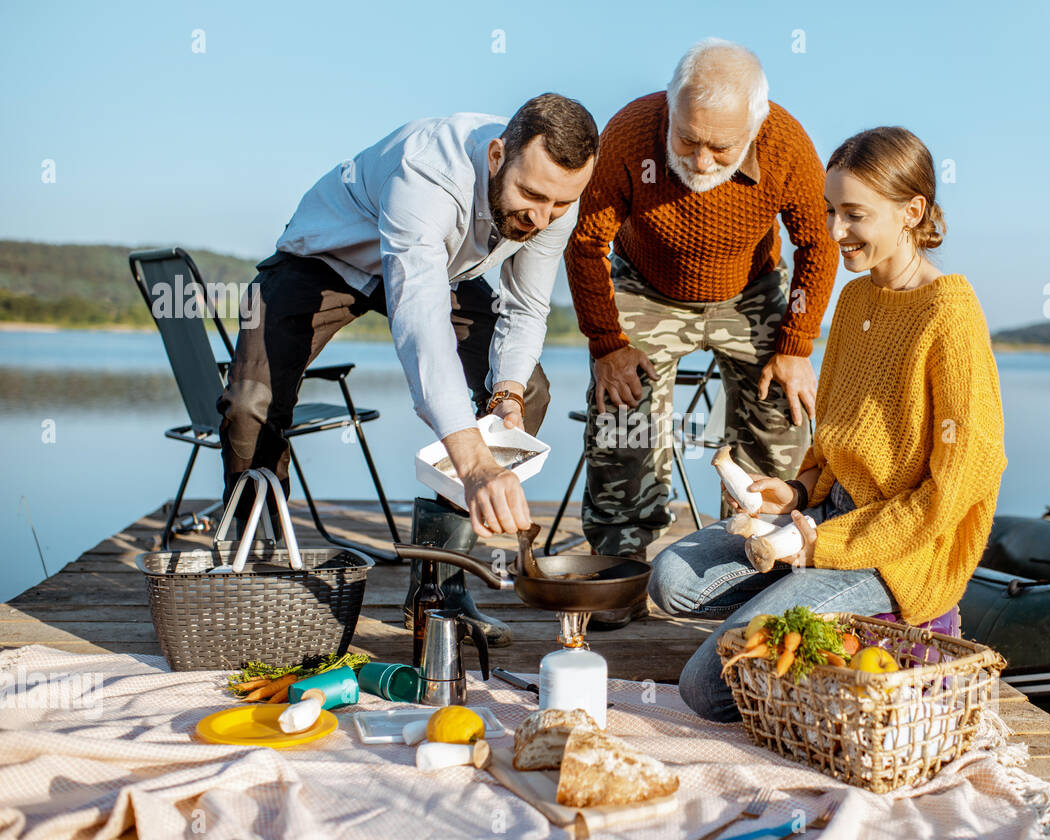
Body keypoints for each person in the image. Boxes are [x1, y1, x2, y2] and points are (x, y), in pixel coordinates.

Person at [649, 126, 1007, 722]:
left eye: (854, 215)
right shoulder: (854, 301)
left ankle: (861, 614)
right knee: (671, 578)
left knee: (706, 689)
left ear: (911, 212)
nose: (835, 232)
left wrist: (826, 547)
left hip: (893, 552)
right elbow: (832, 439)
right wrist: (792, 491)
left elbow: (956, 489)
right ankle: (806, 600)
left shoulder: (950, 316)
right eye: (830, 211)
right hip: (820, 516)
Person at [217, 94, 599, 647]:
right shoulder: (426, 171)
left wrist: (506, 397)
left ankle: (438, 594)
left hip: (440, 270)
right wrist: (472, 462)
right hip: (325, 259)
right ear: (496, 156)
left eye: (559, 204)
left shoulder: (557, 199)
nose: (541, 218)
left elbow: (527, 307)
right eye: (531, 195)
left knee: (530, 389)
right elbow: (419, 320)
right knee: (251, 405)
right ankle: (255, 572)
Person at [564, 38, 839, 628]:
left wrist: (795, 346)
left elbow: (818, 242)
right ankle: (619, 563)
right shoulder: (631, 133)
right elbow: (587, 242)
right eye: (688, 140)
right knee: (624, 409)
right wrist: (607, 344)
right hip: (647, 284)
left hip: (750, 288)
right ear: (670, 106)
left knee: (783, 413)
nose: (703, 160)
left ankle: (757, 560)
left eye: (722, 146)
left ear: (756, 126)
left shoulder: (787, 143)